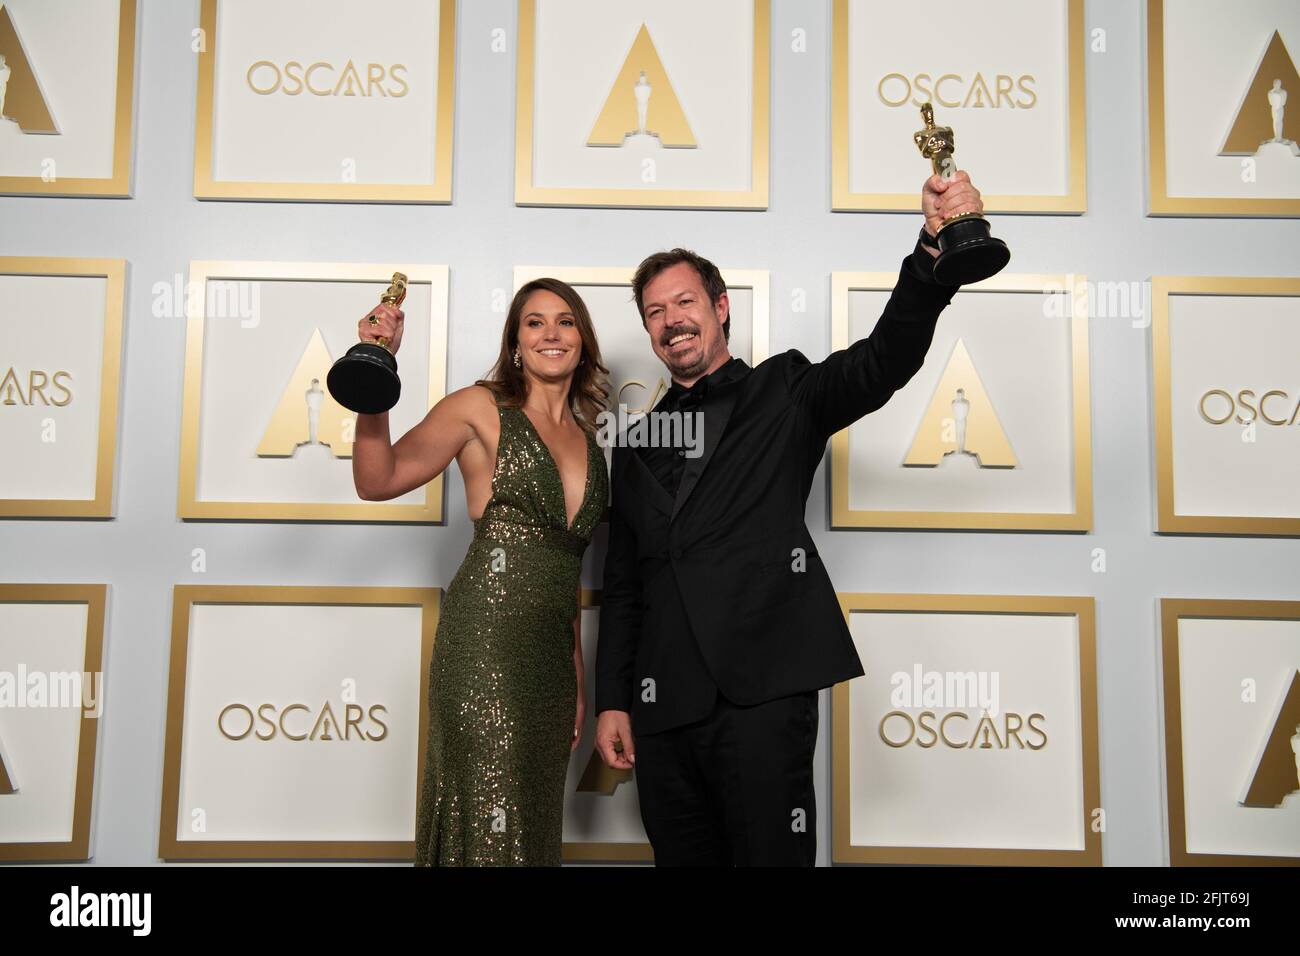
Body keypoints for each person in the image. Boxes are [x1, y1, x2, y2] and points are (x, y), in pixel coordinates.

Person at [593, 171, 985, 865]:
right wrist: (614, 701)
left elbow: (882, 360)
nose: (671, 319)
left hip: (762, 691)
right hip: (662, 703)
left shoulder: (786, 390)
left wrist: (934, 253)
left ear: (720, 308)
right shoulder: (632, 442)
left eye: (684, 301)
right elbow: (624, 586)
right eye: (654, 311)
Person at [352, 278, 610, 866]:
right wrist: (376, 375)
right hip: (484, 651)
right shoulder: (479, 407)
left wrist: (574, 676)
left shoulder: (588, 440)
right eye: (535, 322)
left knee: (533, 831)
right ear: (516, 342)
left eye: (565, 321)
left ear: (583, 341)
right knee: (488, 824)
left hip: (550, 667)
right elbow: (377, 479)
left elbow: (565, 571)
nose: (551, 333)